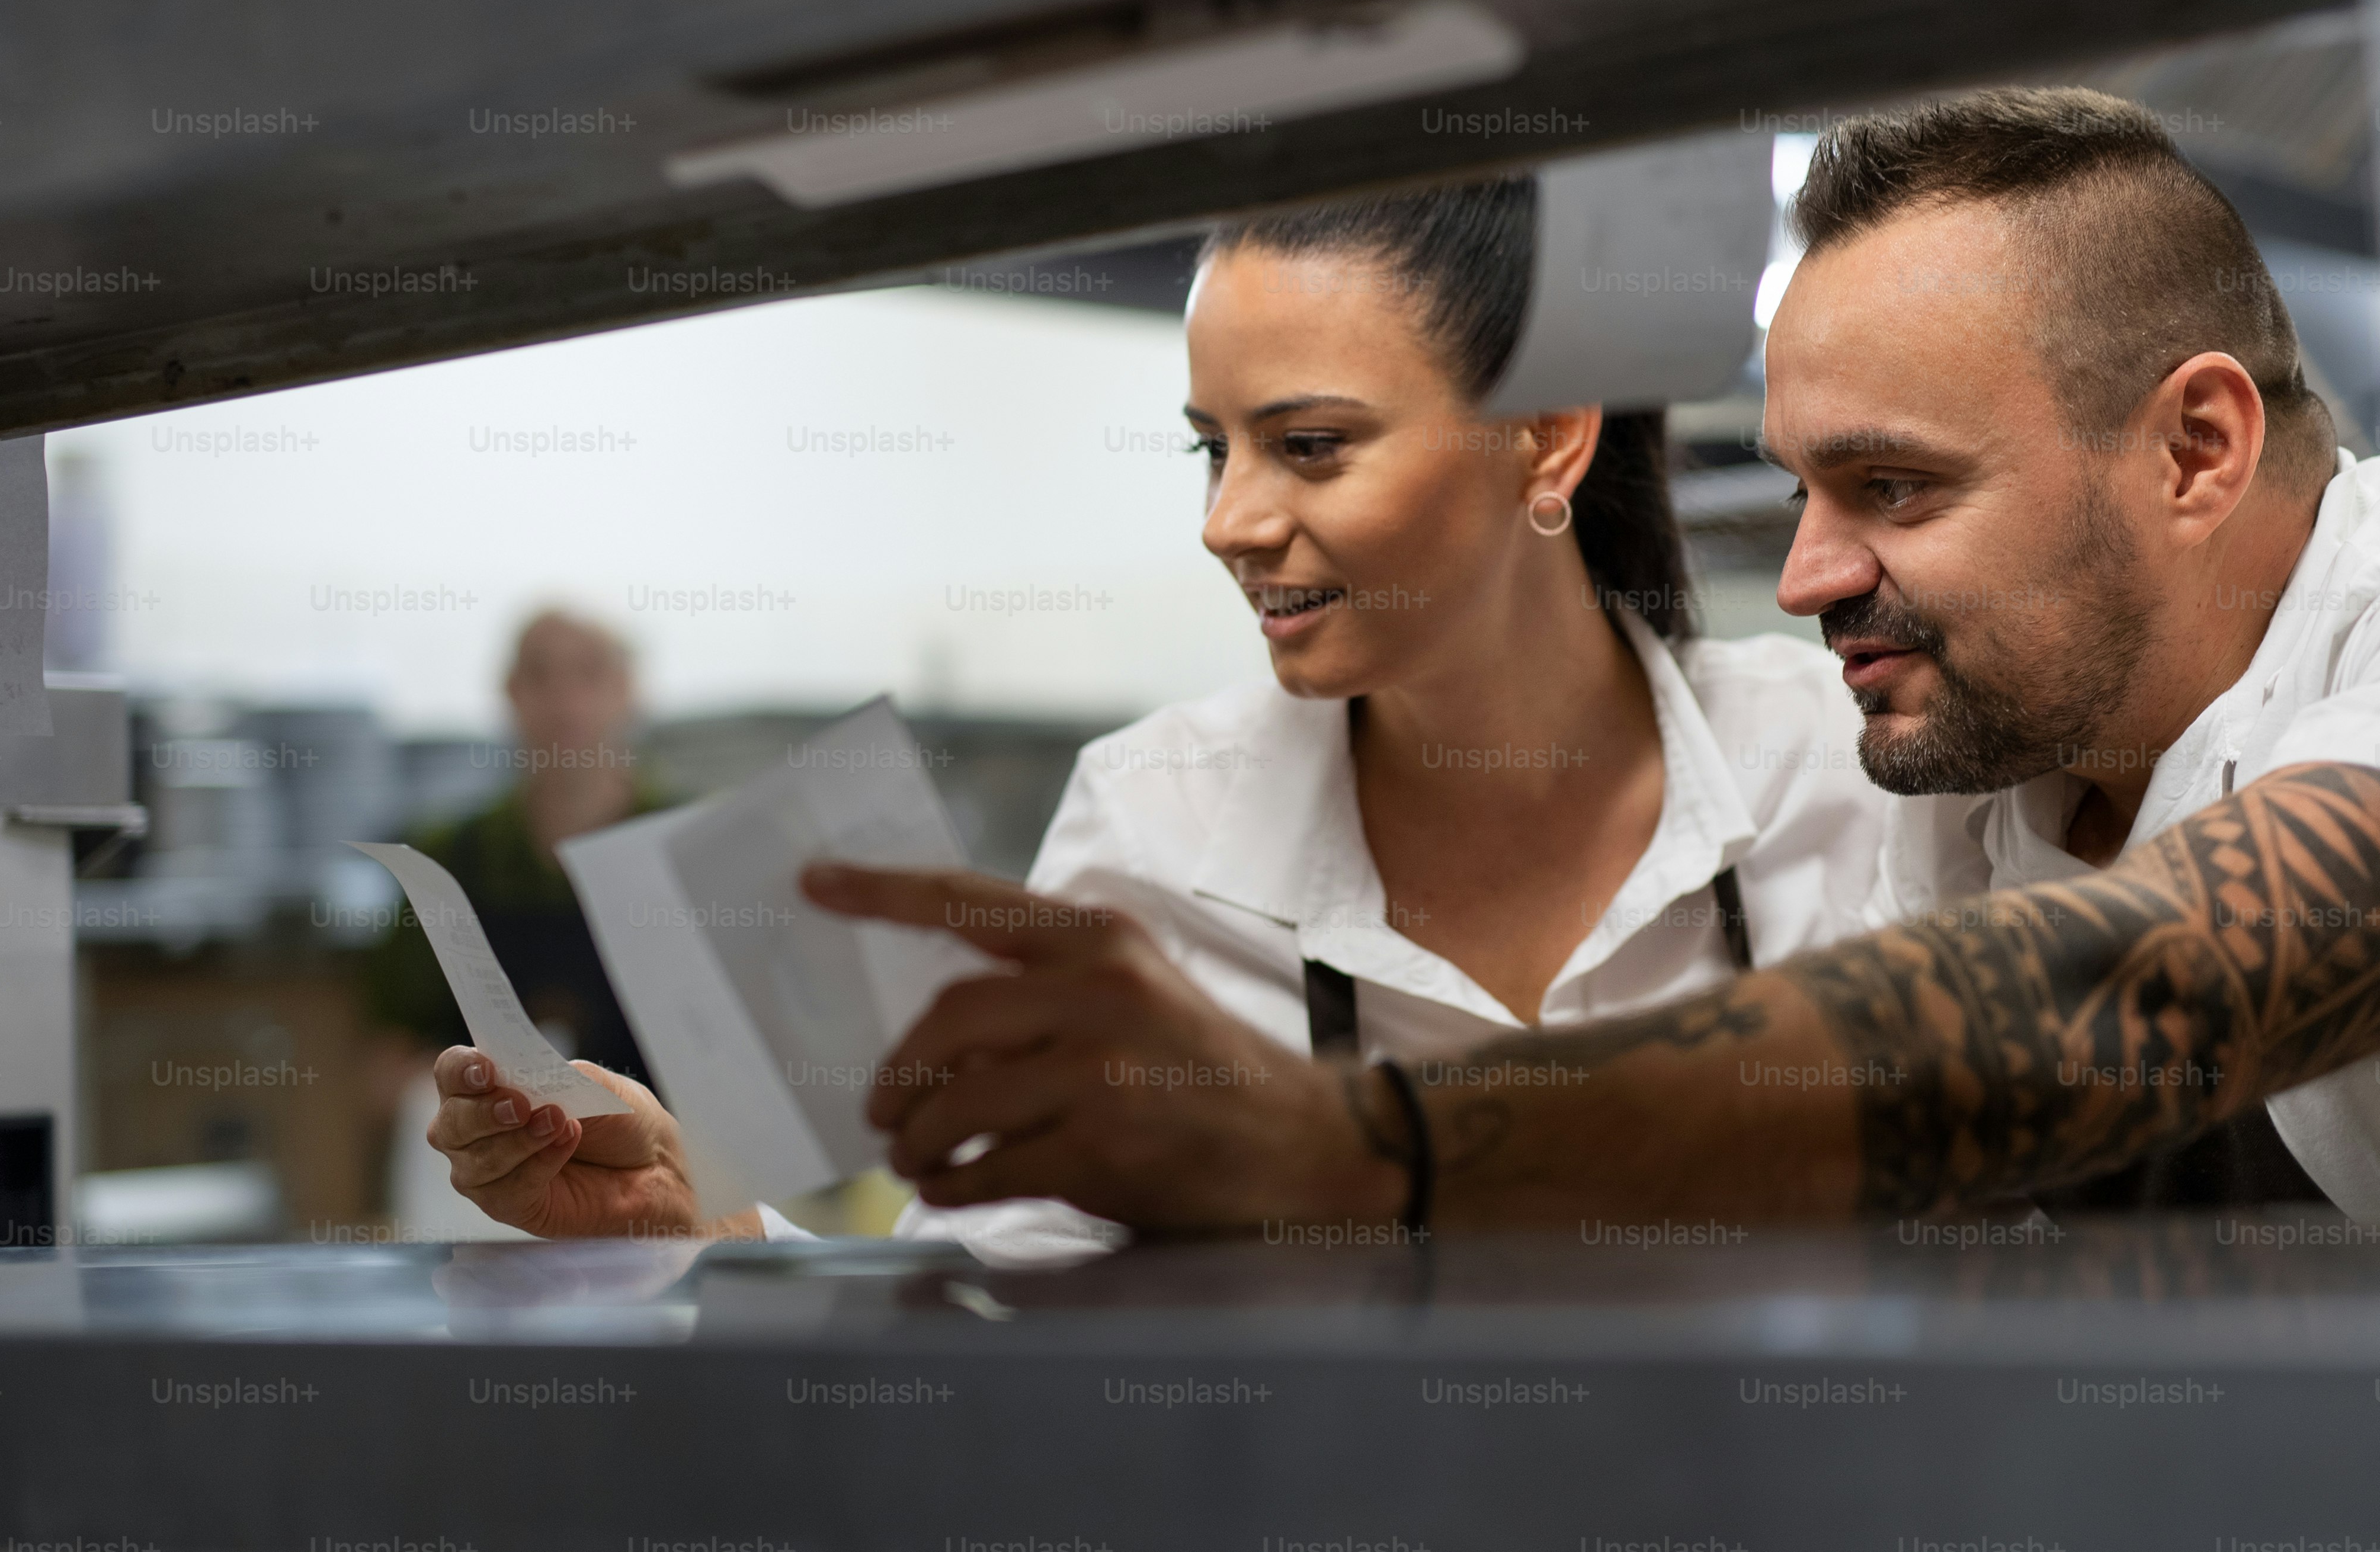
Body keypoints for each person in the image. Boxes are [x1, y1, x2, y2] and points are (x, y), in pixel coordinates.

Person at [793, 84, 2380, 1235]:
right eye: (1797, 488)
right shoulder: (2004, 778)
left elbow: (2141, 996)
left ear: (2196, 442)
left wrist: (1350, 1150)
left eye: (1894, 489)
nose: (1804, 579)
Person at [424, 178, 1927, 1245]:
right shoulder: (1155, 822)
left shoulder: (1851, 776)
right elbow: (1005, 1336)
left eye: (1311, 446)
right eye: (1211, 450)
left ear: (1544, 439)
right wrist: (699, 1229)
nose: (1229, 521)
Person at [365, 609, 669, 1089]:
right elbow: (389, 1055)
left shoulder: (682, 846)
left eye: (589, 674)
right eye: (540, 675)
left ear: (631, 691)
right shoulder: (449, 859)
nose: (565, 701)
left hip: (667, 1154)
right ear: (510, 692)